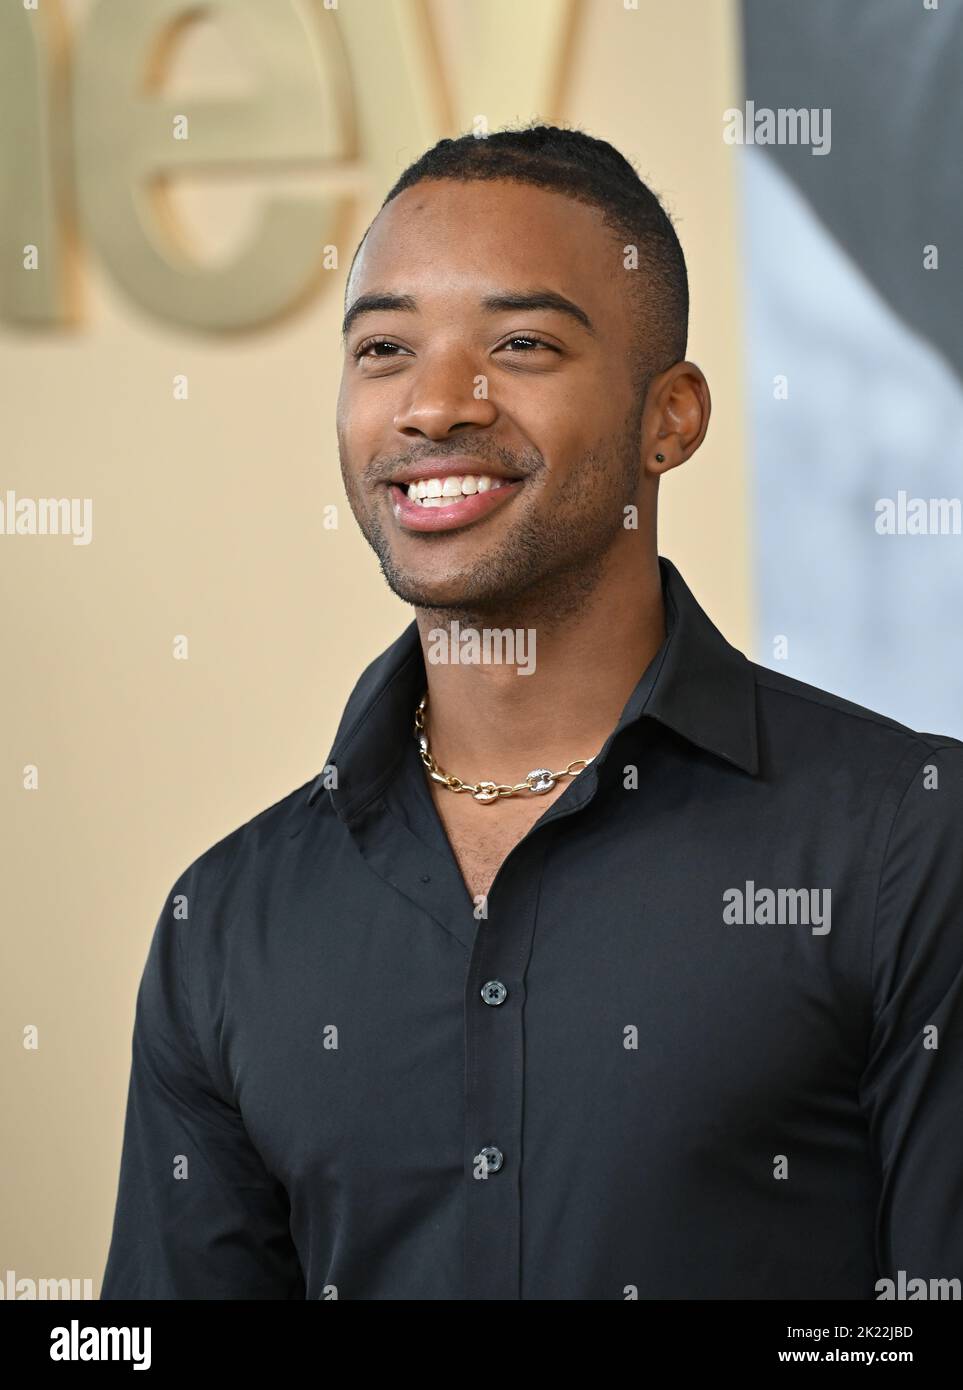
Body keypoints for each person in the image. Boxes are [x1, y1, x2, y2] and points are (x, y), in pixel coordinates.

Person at [100, 124, 963, 1300]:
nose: (435, 406)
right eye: (385, 348)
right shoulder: (228, 922)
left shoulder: (907, 842)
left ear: (673, 416)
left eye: (520, 343)